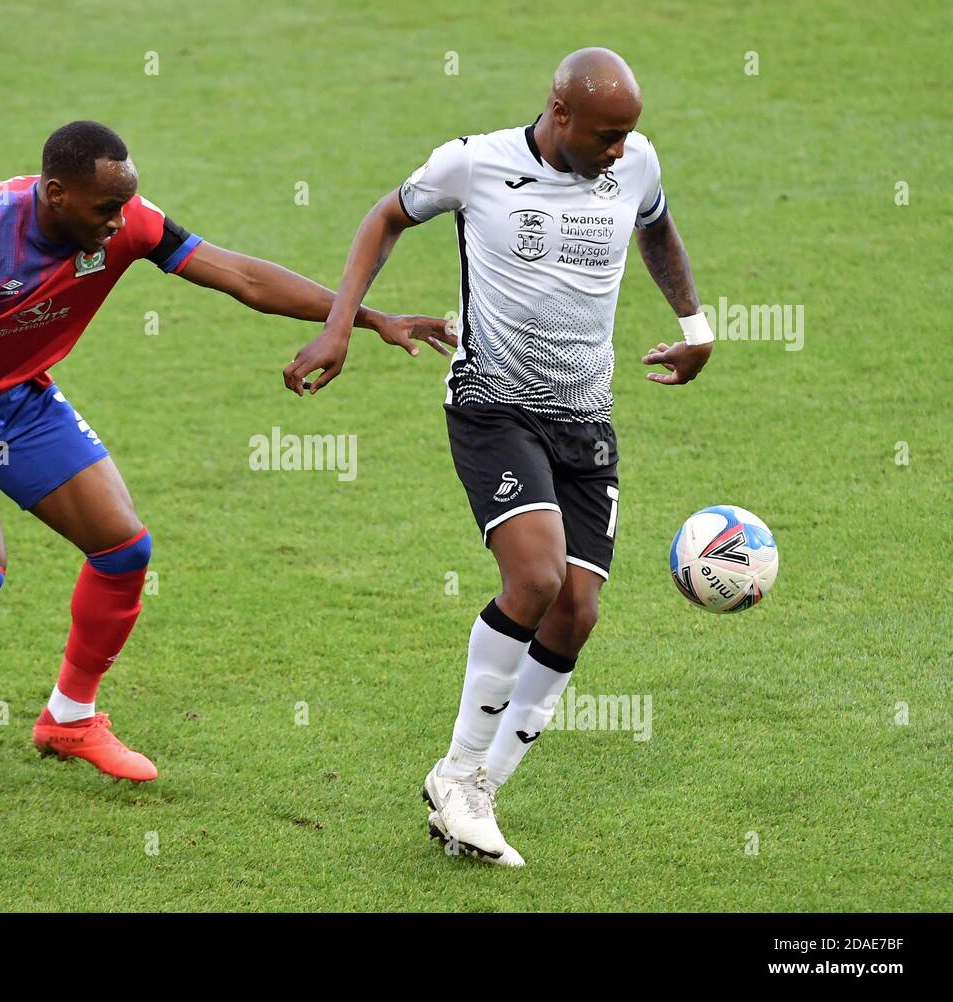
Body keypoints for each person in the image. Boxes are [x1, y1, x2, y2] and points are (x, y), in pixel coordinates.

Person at [0, 120, 452, 842]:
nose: (118, 220)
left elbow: (243, 277)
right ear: (56, 193)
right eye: (104, 208)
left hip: (20, 397)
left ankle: (69, 718)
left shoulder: (126, 223)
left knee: (123, 549)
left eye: (123, 205)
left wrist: (363, 316)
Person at [283, 49, 714, 866]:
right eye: (606, 135)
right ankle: (459, 774)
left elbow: (657, 226)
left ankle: (473, 789)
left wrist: (696, 327)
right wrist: (343, 325)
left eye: (628, 134)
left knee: (577, 611)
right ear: (559, 113)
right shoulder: (475, 164)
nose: (621, 149)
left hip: (587, 415)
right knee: (537, 577)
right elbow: (385, 217)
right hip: (493, 405)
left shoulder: (637, 161)